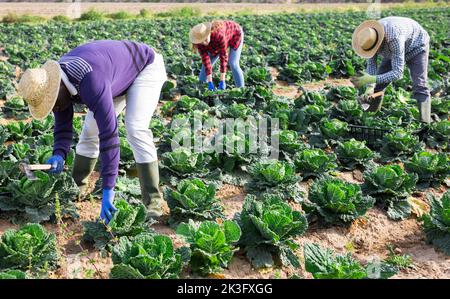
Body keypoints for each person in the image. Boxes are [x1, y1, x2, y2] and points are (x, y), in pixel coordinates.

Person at [17, 40, 168, 223]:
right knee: (89, 130)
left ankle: (152, 201)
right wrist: (59, 154)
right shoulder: (56, 84)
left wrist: (108, 190)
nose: (53, 107)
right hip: (114, 75)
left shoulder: (90, 81)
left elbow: (109, 135)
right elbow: (63, 126)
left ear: (58, 89)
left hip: (144, 67)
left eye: (52, 102)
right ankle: (77, 187)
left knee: (135, 129)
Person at [351, 17, 431, 123]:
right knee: (378, 86)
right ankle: (371, 117)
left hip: (417, 46)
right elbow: (371, 65)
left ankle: (425, 121)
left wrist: (372, 78)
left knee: (420, 85)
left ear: (379, 42)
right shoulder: (369, 39)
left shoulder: (393, 37)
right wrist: (369, 87)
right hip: (394, 50)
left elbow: (398, 73)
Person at [189, 20, 245, 91]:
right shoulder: (200, 44)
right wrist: (210, 82)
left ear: (209, 32)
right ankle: (203, 92)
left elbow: (223, 57)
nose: (204, 43)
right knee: (204, 71)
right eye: (201, 41)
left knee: (233, 64)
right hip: (215, 44)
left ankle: (242, 90)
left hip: (235, 34)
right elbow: (206, 61)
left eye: (205, 39)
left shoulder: (219, 35)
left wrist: (222, 81)